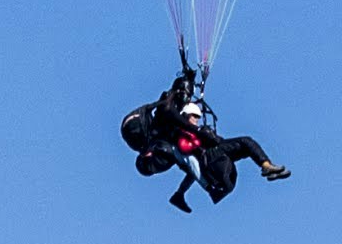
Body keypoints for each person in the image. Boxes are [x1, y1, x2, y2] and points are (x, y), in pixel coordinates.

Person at [117, 62, 289, 209]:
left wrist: (179, 193)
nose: (196, 121)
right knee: (207, 153)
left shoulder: (173, 119)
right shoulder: (170, 128)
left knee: (246, 142)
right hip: (210, 160)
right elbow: (189, 163)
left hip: (214, 158)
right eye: (194, 117)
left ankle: (266, 166)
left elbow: (191, 169)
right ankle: (217, 185)